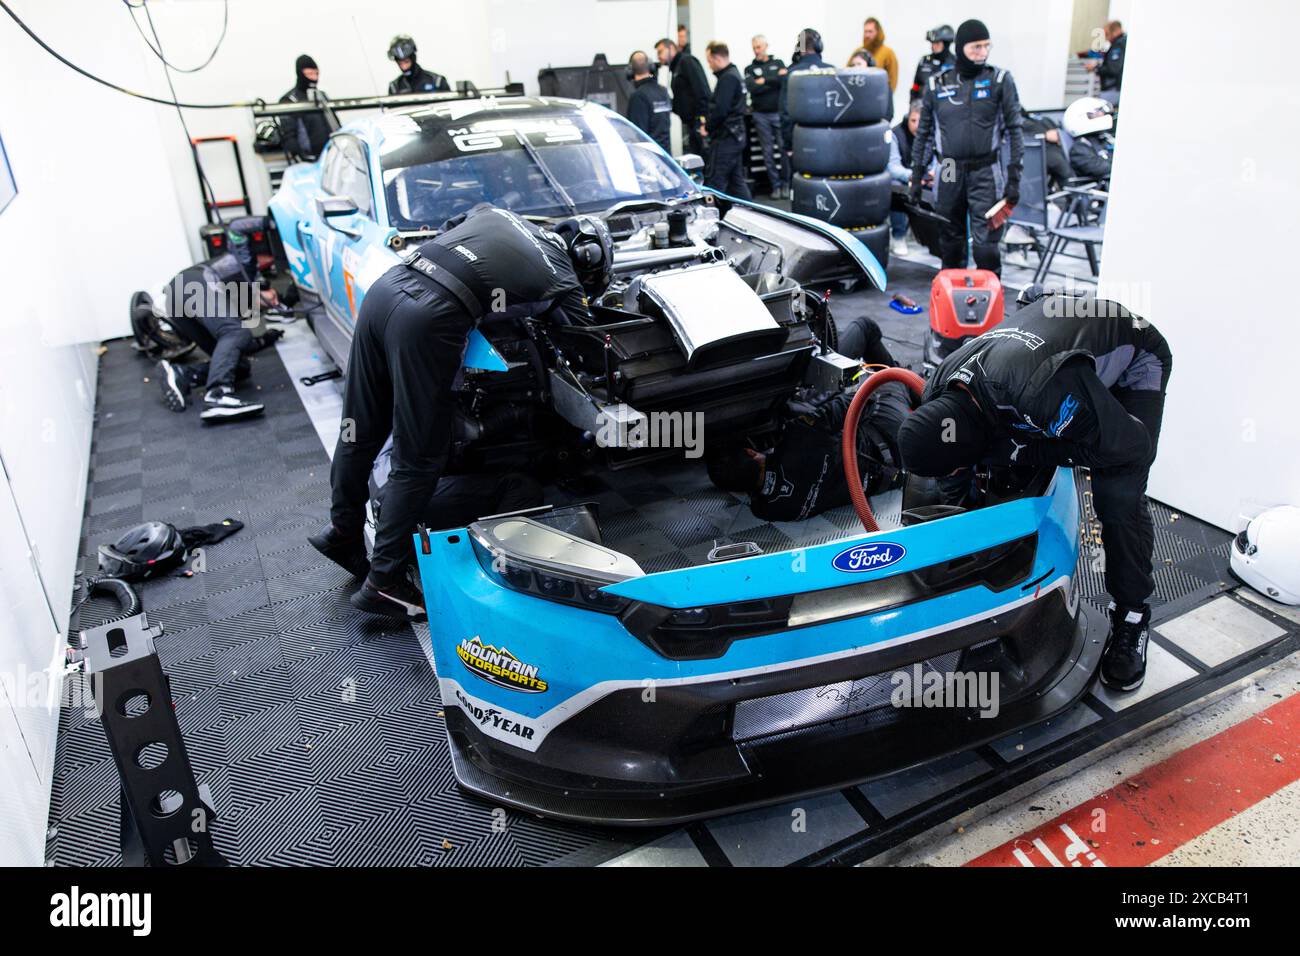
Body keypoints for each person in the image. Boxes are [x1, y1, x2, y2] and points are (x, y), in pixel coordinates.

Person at [308, 204, 611, 617]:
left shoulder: (503, 214)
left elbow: (449, 226)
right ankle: (384, 581)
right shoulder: (562, 274)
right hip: (428, 319)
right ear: (585, 264)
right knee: (419, 459)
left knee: (359, 427)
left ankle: (341, 532)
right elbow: (588, 346)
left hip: (388, 288)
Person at [896, 290, 1173, 693]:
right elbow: (955, 476)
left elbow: (1131, 446)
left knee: (1118, 496)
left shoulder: (1037, 393)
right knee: (1004, 460)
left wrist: (1022, 448)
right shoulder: (941, 385)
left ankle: (1132, 617)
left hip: (1133, 356)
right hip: (1048, 350)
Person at [707, 319, 912, 522]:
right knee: (868, 334)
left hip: (885, 476)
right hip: (890, 433)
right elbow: (861, 401)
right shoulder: (798, 437)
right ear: (751, 452)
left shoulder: (767, 509)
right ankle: (917, 387)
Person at [909, 19, 1023, 277]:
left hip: (986, 169)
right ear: (961, 48)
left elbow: (1016, 130)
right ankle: (952, 307)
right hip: (948, 167)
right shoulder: (937, 84)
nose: (982, 52)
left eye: (986, 46)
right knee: (950, 240)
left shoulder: (1000, 79)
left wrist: (1014, 178)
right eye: (975, 47)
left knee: (986, 246)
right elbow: (924, 133)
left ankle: (991, 307)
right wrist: (916, 176)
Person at [154, 252, 279, 422]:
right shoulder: (246, 269)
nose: (275, 303)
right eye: (274, 297)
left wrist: (266, 339)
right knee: (236, 332)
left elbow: (235, 346)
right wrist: (266, 223)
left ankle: (181, 374)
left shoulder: (240, 299)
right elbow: (239, 230)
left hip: (178, 296)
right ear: (263, 286)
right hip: (192, 283)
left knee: (239, 366)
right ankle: (218, 396)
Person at [702, 41, 751, 199]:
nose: (709, 66)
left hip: (727, 138)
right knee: (736, 183)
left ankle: (712, 219)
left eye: (709, 61)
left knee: (715, 182)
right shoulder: (735, 74)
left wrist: (707, 127)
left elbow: (720, 111)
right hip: (736, 136)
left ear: (717, 58)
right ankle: (751, 215)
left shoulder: (727, 79)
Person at [780, 29, 828, 174]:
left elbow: (785, 112)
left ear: (799, 48)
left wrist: (788, 145)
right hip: (830, 141)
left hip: (801, 141)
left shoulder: (792, 74)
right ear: (819, 46)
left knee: (801, 183)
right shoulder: (832, 71)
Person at [746, 35, 788, 199]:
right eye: (754, 47)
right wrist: (772, 81)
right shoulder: (749, 69)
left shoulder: (778, 63)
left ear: (766, 46)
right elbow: (752, 88)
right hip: (760, 115)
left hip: (778, 113)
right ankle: (775, 186)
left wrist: (763, 81)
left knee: (784, 149)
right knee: (767, 152)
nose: (756, 50)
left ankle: (785, 184)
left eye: (759, 47)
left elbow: (783, 81)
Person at [656, 37, 711, 159]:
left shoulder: (687, 62)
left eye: (660, 52)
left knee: (705, 161)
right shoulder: (675, 68)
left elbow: (702, 91)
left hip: (698, 122)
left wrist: (702, 120)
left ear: (671, 48)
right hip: (690, 123)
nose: (658, 56)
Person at [887, 99, 924, 257]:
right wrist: (913, 176)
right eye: (913, 120)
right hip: (905, 178)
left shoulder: (933, 132)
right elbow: (892, 167)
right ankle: (898, 235)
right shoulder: (895, 134)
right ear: (907, 118)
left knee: (949, 182)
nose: (916, 125)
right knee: (895, 185)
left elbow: (943, 161)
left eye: (920, 121)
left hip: (925, 178)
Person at [278, 54, 331, 161]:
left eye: (316, 73)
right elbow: (289, 134)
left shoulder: (321, 95)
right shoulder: (289, 100)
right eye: (309, 74)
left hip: (332, 153)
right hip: (309, 158)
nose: (314, 78)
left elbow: (332, 122)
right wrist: (301, 156)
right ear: (300, 73)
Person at [625, 51, 672, 153]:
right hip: (666, 158)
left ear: (630, 71)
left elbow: (637, 135)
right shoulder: (663, 91)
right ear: (651, 67)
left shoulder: (638, 97)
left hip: (649, 159)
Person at [1063, 96, 1116, 182]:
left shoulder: (1102, 139)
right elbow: (1100, 169)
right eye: (1097, 113)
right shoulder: (1079, 148)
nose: (1102, 115)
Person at [386, 34, 450, 95]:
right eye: (400, 64)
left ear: (413, 58)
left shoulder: (437, 82)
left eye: (406, 62)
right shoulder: (394, 87)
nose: (404, 67)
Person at [851, 17, 898, 91]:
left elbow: (892, 80)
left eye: (870, 31)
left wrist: (886, 98)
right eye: (865, 32)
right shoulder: (858, 51)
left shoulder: (888, 53)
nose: (867, 35)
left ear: (878, 32)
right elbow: (847, 71)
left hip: (879, 95)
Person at [1086, 20, 1126, 103]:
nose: (1106, 38)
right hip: (1116, 89)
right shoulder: (1123, 43)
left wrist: (1096, 68)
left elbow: (1113, 69)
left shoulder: (1118, 45)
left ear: (1115, 31)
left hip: (1112, 89)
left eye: (1106, 34)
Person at [911, 24, 955, 97]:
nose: (933, 46)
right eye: (932, 43)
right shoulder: (924, 61)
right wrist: (913, 101)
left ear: (946, 44)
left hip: (946, 105)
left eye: (937, 43)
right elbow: (916, 85)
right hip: (923, 105)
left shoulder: (955, 62)